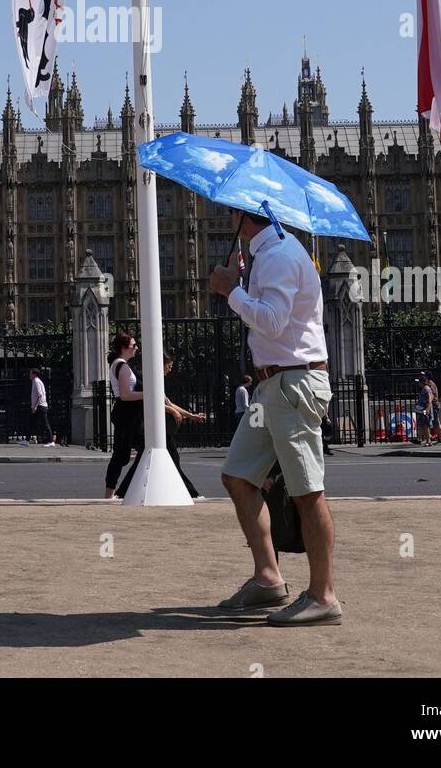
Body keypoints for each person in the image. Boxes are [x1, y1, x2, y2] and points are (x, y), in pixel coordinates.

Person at [210, 207, 341, 626]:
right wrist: (243, 281)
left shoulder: (281, 254)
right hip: (271, 388)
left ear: (240, 216)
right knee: (237, 476)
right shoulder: (266, 256)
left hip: (293, 385)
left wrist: (231, 291)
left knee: (306, 492)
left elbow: (272, 320)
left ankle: (324, 595)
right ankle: (268, 577)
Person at [116, 354, 204, 499]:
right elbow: (155, 402)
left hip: (159, 427)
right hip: (155, 427)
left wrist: (191, 416)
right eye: (168, 366)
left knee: (141, 462)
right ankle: (192, 493)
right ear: (160, 365)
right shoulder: (150, 380)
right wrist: (172, 411)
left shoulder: (156, 381)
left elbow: (167, 402)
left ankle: (122, 492)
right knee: (173, 459)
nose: (170, 370)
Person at [104, 332, 144, 499]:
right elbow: (125, 395)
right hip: (127, 414)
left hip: (129, 414)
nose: (136, 348)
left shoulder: (119, 364)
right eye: (134, 346)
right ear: (124, 348)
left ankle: (119, 490)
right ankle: (111, 493)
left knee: (136, 450)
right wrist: (147, 393)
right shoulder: (122, 366)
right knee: (121, 454)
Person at [29, 368, 56, 447]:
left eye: (30, 373)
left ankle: (51, 441)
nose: (29, 375)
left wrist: (35, 406)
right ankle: (26, 441)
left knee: (45, 424)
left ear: (34, 374)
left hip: (41, 406)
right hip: (40, 406)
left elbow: (40, 395)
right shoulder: (35, 381)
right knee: (31, 422)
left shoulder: (37, 382)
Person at [416, 374, 434, 447]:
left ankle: (428, 440)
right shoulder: (426, 388)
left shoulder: (426, 388)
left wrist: (427, 409)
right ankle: (428, 439)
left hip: (425, 409)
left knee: (425, 425)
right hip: (423, 409)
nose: (418, 384)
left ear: (422, 382)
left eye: (419, 382)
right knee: (423, 425)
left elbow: (430, 399)